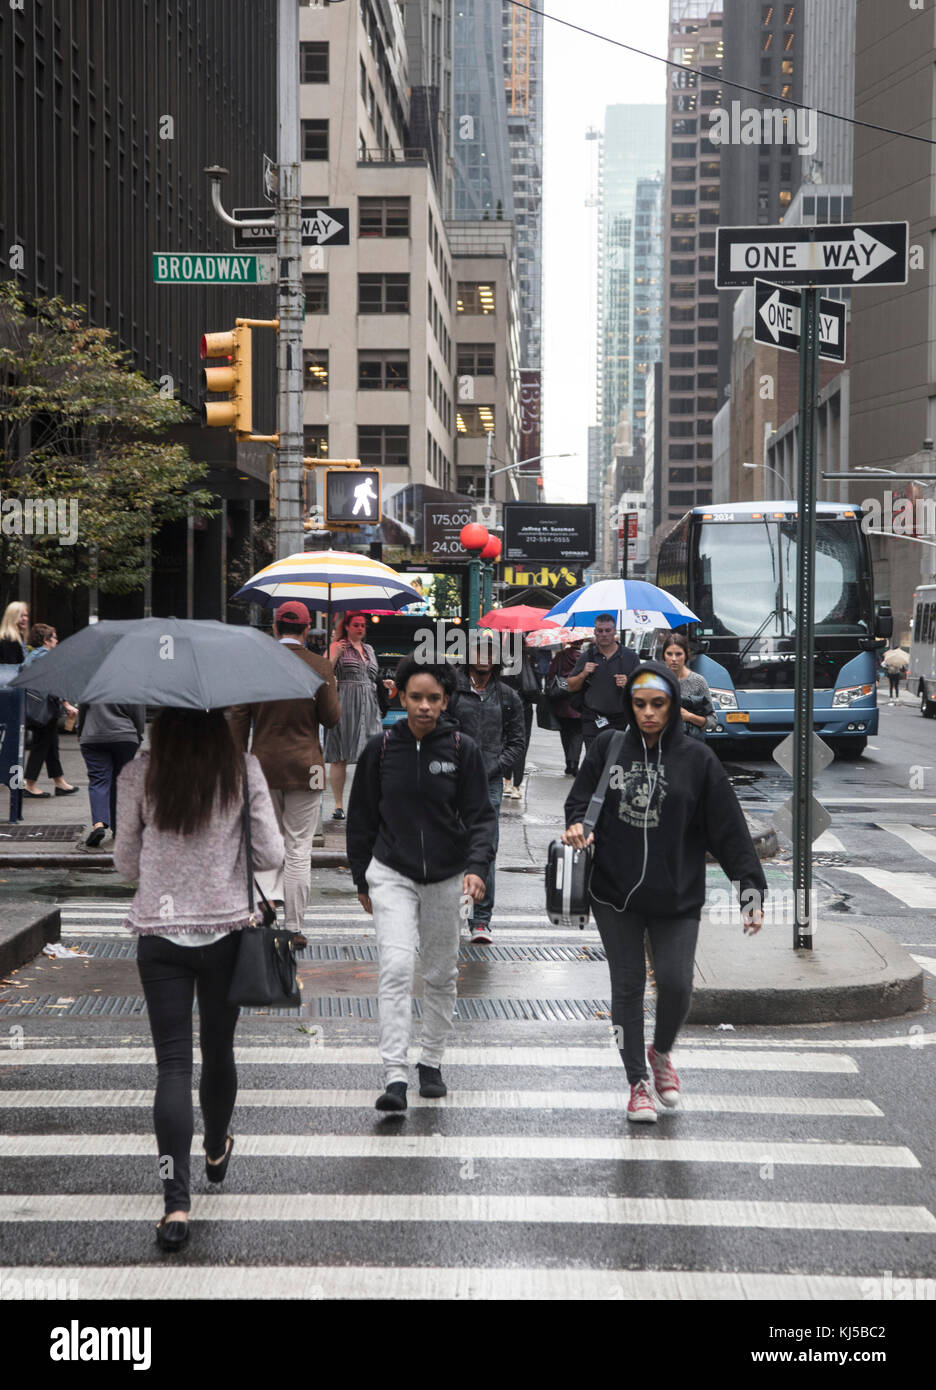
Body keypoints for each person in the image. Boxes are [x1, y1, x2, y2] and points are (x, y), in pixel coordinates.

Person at [562, 661, 766, 1123]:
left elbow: (729, 832)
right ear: (629, 705)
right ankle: (637, 1083)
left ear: (673, 705)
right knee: (628, 986)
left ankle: (661, 1051)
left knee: (676, 984)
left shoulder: (698, 761)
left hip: (677, 894)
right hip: (613, 894)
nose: (648, 714)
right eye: (639, 705)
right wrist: (577, 826)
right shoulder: (607, 747)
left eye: (658, 704)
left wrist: (750, 891)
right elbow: (579, 800)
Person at [114, 709, 285, 1250]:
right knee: (218, 1048)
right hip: (226, 936)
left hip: (159, 937)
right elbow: (271, 854)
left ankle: (175, 1204)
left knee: (171, 1066)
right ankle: (215, 1147)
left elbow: (125, 865)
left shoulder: (137, 774)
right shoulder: (242, 768)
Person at [347, 657, 496, 1112]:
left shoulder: (461, 749)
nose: (425, 706)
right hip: (390, 872)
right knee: (394, 969)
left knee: (439, 973)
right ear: (401, 698)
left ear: (446, 700)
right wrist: (362, 879)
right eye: (416, 697)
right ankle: (394, 1074)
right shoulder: (380, 749)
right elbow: (361, 819)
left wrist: (476, 868)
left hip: (447, 877)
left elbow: (481, 817)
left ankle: (430, 1061)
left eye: (434, 698)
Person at [229, 600, 340, 931]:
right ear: (307, 630)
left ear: (275, 628)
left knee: (265, 842)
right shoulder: (319, 666)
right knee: (298, 849)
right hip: (309, 766)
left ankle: (263, 916)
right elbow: (331, 719)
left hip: (263, 765)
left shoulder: (254, 665)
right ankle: (294, 927)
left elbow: (238, 717)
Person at [447, 641, 524, 943]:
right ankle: (451, 912)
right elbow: (442, 728)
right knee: (451, 846)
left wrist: (493, 768)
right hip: (453, 777)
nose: (484, 658)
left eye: (490, 653)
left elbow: (517, 743)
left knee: (485, 849)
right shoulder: (453, 691)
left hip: (489, 781)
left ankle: (480, 920)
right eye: (478, 652)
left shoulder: (508, 696)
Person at [325, 611, 383, 820]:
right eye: (356, 625)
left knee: (372, 754)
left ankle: (368, 803)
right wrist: (335, 655)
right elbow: (324, 672)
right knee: (340, 755)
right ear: (347, 627)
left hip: (369, 704)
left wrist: (384, 684)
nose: (360, 628)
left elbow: (372, 677)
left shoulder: (369, 649)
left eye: (363, 625)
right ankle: (338, 805)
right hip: (345, 703)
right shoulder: (337, 646)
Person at [565, 613, 639, 750]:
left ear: (614, 631)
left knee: (618, 762)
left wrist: (629, 684)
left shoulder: (630, 656)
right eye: (600, 631)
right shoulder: (586, 657)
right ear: (595, 632)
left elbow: (643, 690)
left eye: (608, 630)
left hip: (622, 720)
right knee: (595, 764)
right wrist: (584, 674)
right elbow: (570, 686)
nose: (604, 634)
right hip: (593, 720)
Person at [21, 624, 79, 798]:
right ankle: (29, 784)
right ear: (46, 640)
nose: (57, 640)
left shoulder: (34, 655)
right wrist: (66, 704)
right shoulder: (46, 656)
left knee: (51, 744)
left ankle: (59, 781)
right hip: (43, 709)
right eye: (54, 637)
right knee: (42, 745)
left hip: (36, 707)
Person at [79, 702, 145, 847]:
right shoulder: (133, 683)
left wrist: (80, 733)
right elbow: (138, 715)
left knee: (98, 780)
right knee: (120, 782)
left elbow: (83, 710)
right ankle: (119, 829)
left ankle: (99, 825)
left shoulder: (91, 682)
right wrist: (138, 734)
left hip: (93, 735)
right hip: (125, 736)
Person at [500, 643, 541, 799]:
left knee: (505, 742)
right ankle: (516, 786)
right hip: (524, 706)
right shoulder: (530, 655)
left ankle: (507, 782)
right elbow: (537, 681)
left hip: (504, 705)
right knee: (521, 744)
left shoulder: (499, 656)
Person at [661, 632, 714, 741]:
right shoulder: (656, 680)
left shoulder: (698, 681)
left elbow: (712, 721)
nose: (674, 659)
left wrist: (689, 717)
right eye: (669, 654)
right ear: (663, 655)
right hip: (663, 745)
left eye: (678, 654)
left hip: (691, 745)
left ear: (686, 655)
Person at [547, 639, 585, 774]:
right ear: (581, 642)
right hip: (578, 702)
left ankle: (568, 763)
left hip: (561, 702)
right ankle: (574, 763)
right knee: (578, 735)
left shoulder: (560, 655)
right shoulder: (585, 657)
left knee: (565, 734)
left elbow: (551, 674)